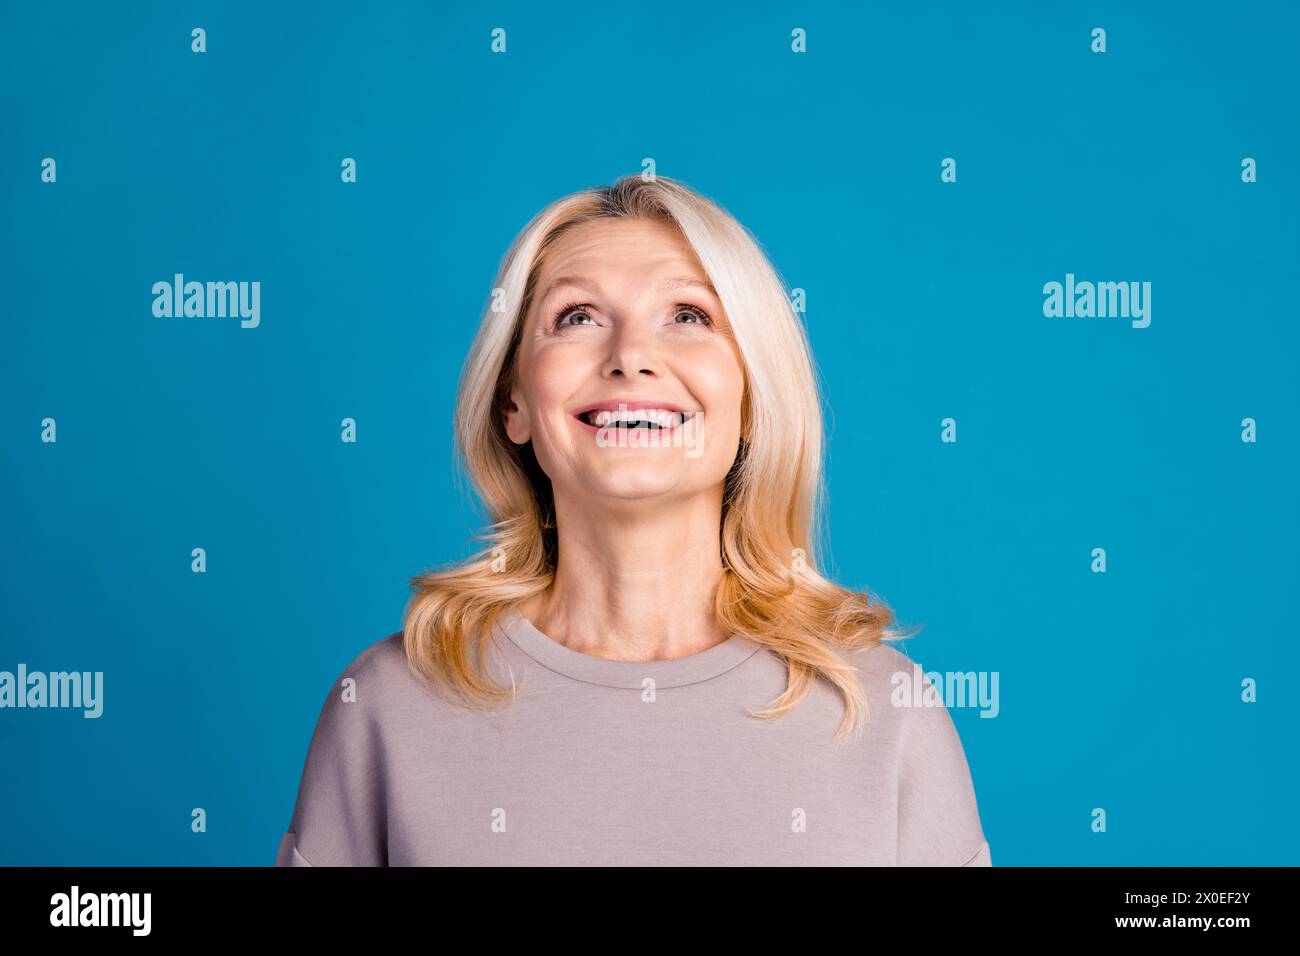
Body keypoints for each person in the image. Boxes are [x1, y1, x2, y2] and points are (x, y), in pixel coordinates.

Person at [276, 174, 991, 866]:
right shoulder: (387, 706)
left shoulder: (884, 711)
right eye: (578, 318)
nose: (631, 358)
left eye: (689, 316)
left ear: (749, 401)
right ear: (513, 404)